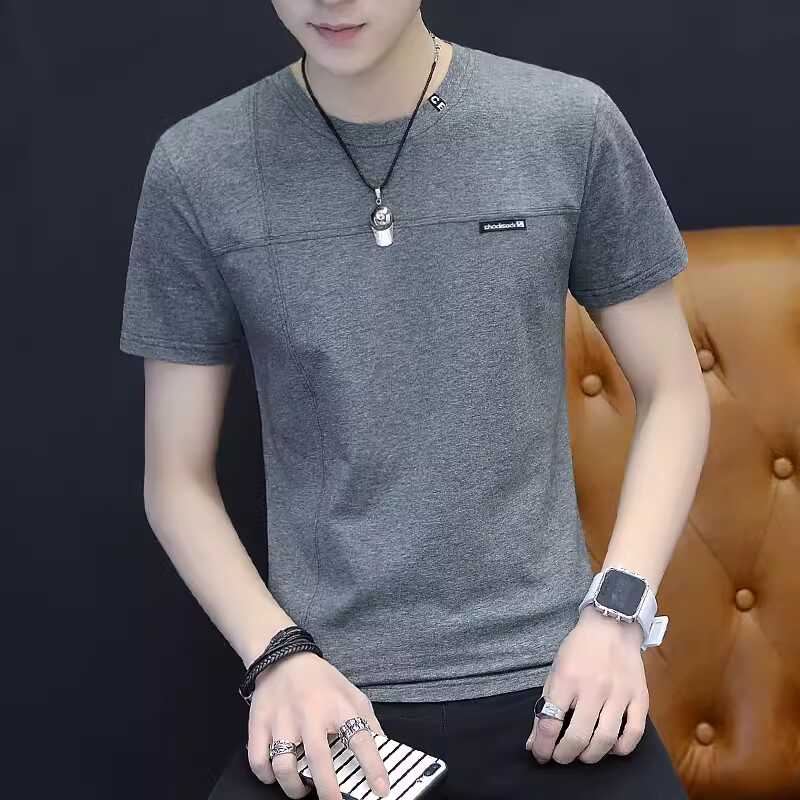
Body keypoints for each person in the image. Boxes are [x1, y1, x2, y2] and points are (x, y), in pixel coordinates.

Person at [119, 1, 709, 798]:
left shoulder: (566, 125)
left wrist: (617, 615)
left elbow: (674, 391)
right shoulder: (199, 167)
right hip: (329, 698)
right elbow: (176, 479)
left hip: (555, 683)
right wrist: (277, 656)